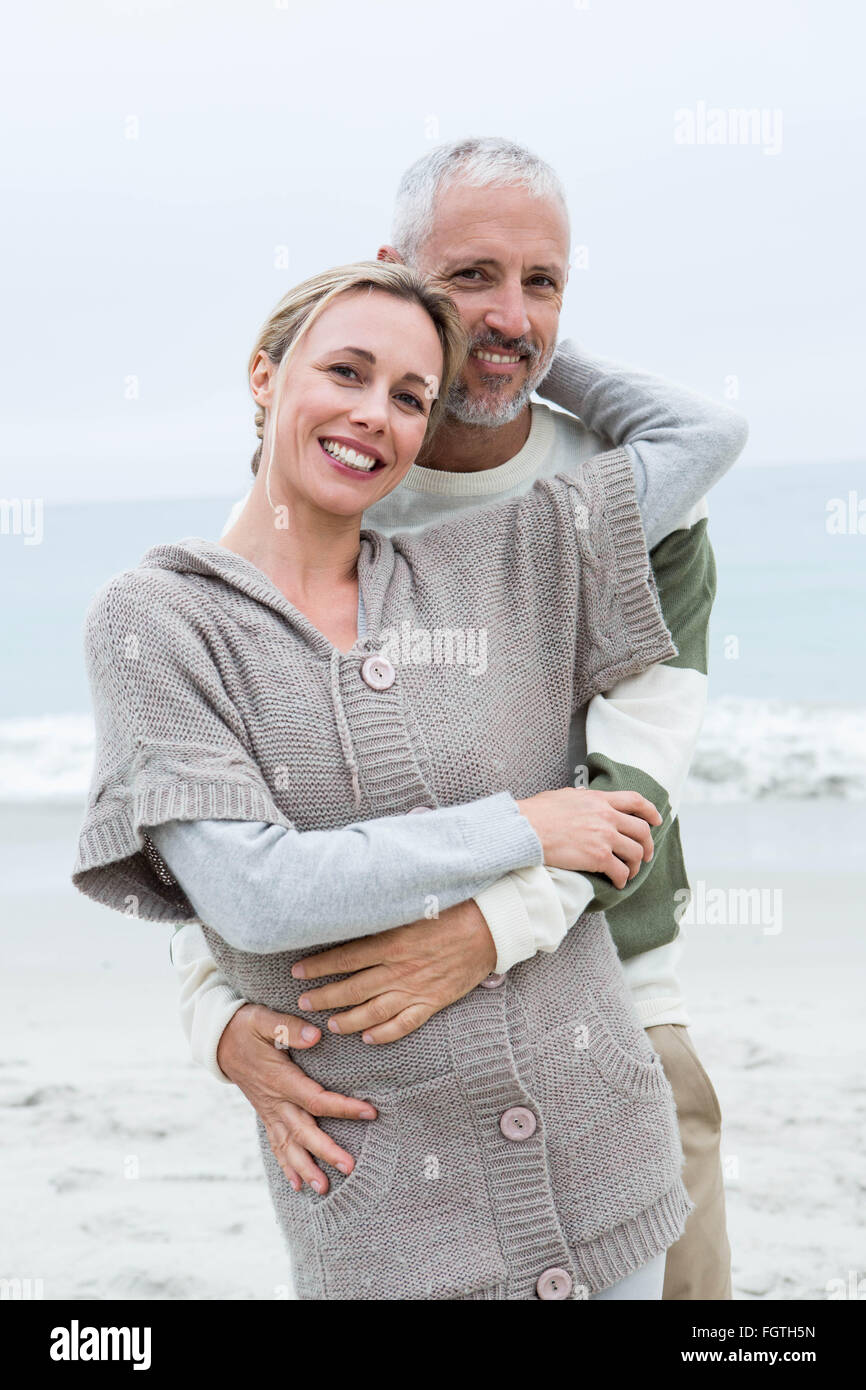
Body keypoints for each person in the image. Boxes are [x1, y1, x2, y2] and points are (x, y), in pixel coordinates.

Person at [72, 255, 734, 1300]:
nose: (372, 413)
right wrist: (524, 825)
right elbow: (254, 892)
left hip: (610, 1172)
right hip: (393, 1232)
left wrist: (507, 347)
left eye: (411, 395)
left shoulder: (493, 562)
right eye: (343, 370)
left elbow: (704, 437)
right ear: (263, 376)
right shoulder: (159, 621)